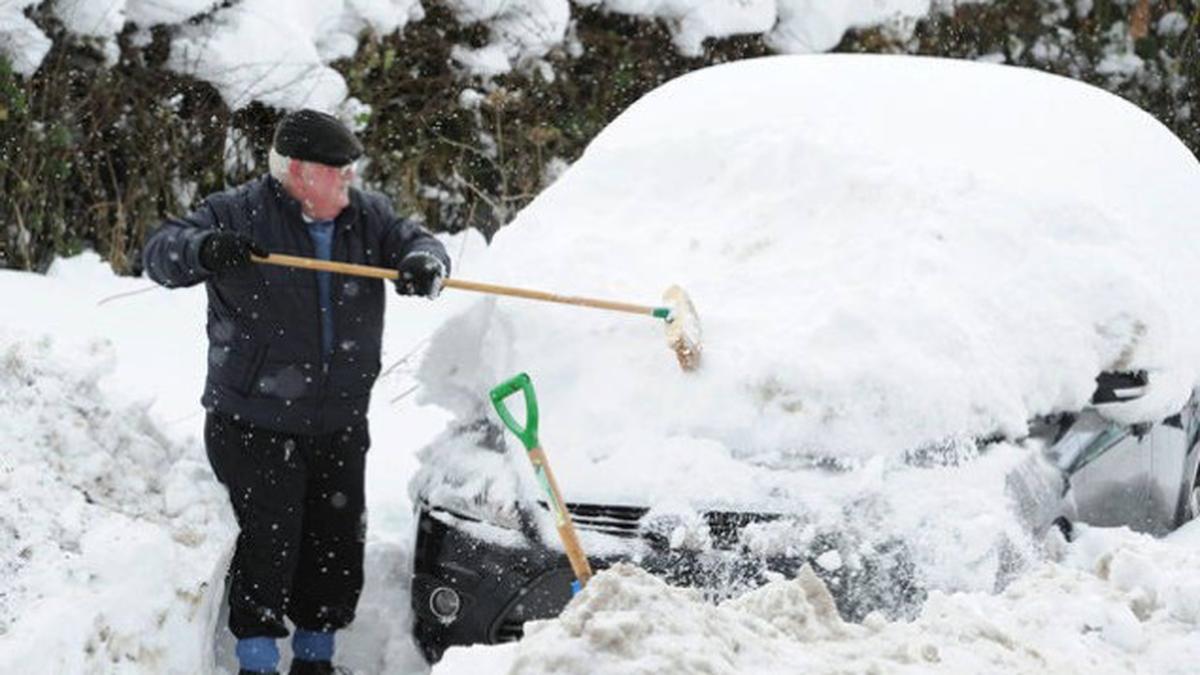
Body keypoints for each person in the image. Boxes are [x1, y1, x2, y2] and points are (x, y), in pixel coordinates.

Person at [142, 109, 451, 675]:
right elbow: (161, 250)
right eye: (338, 171)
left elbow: (416, 239)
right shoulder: (239, 213)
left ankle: (316, 660)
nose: (349, 180)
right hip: (254, 421)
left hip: (338, 419)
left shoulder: (366, 218)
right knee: (269, 542)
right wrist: (205, 250)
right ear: (300, 173)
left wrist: (423, 263)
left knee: (333, 545)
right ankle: (256, 663)